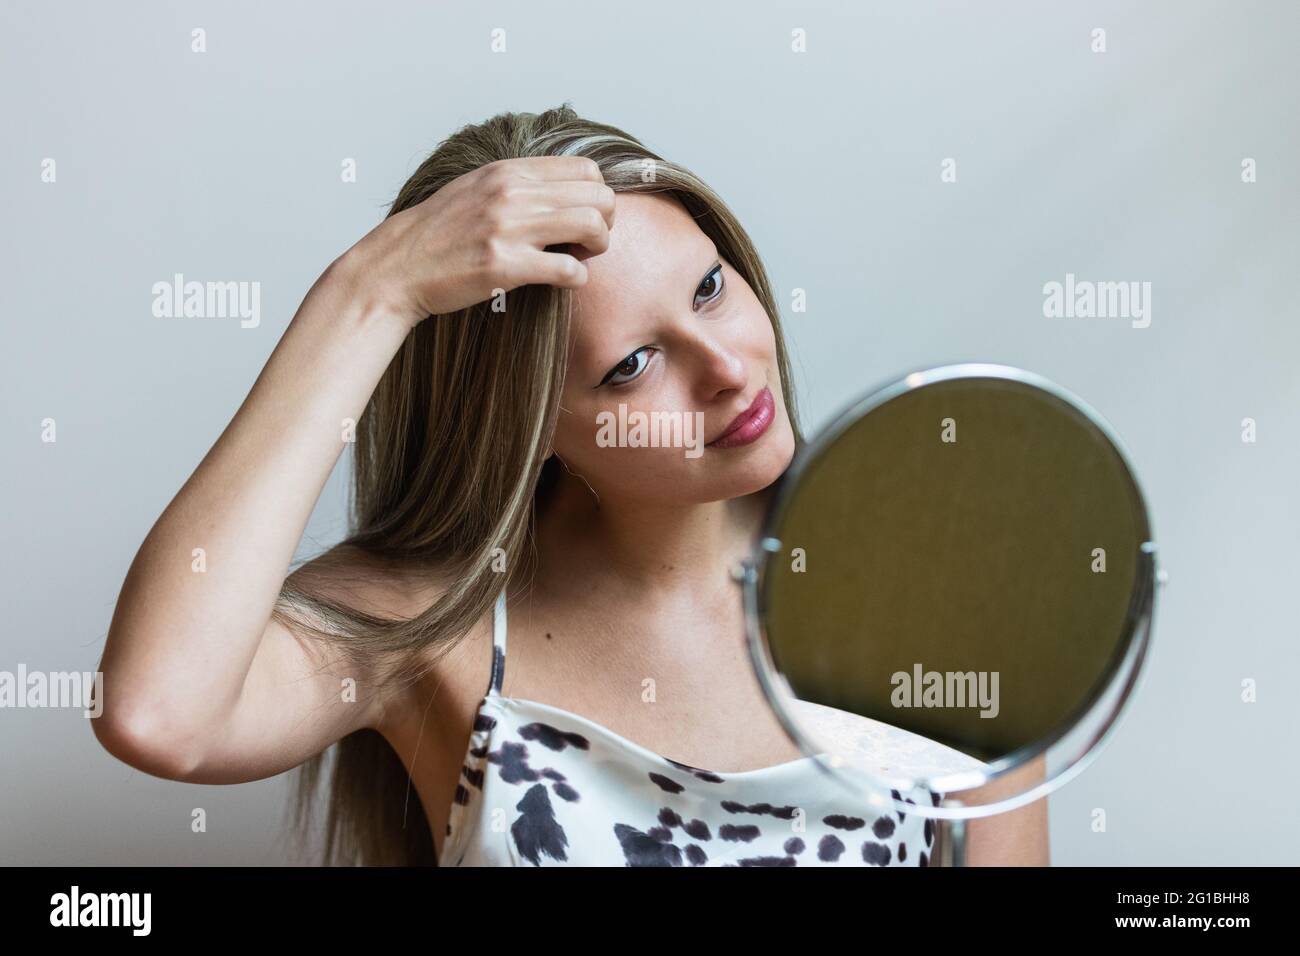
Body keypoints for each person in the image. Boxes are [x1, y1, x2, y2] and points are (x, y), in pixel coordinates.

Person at [93, 103, 1048, 866]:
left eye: (710, 287)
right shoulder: (434, 628)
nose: (725, 368)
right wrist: (371, 289)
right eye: (633, 365)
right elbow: (159, 715)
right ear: (533, 435)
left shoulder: (940, 603)